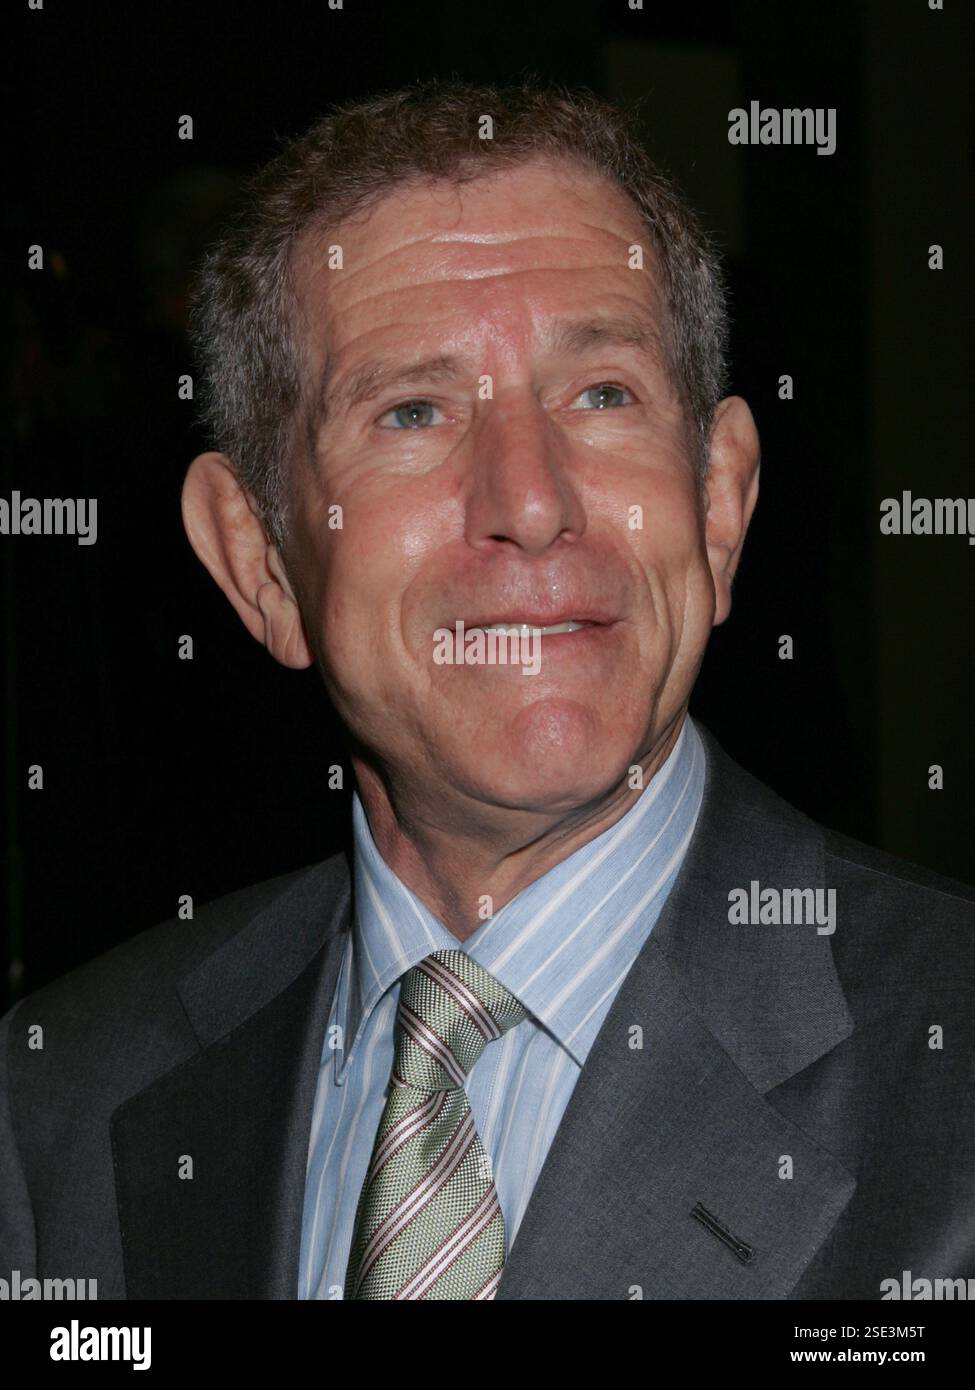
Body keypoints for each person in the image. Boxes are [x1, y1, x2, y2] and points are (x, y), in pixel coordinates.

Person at [2, 79, 973, 1302]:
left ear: (720, 504)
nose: (529, 499)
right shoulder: (56, 1112)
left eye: (603, 393)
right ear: (260, 561)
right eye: (413, 411)